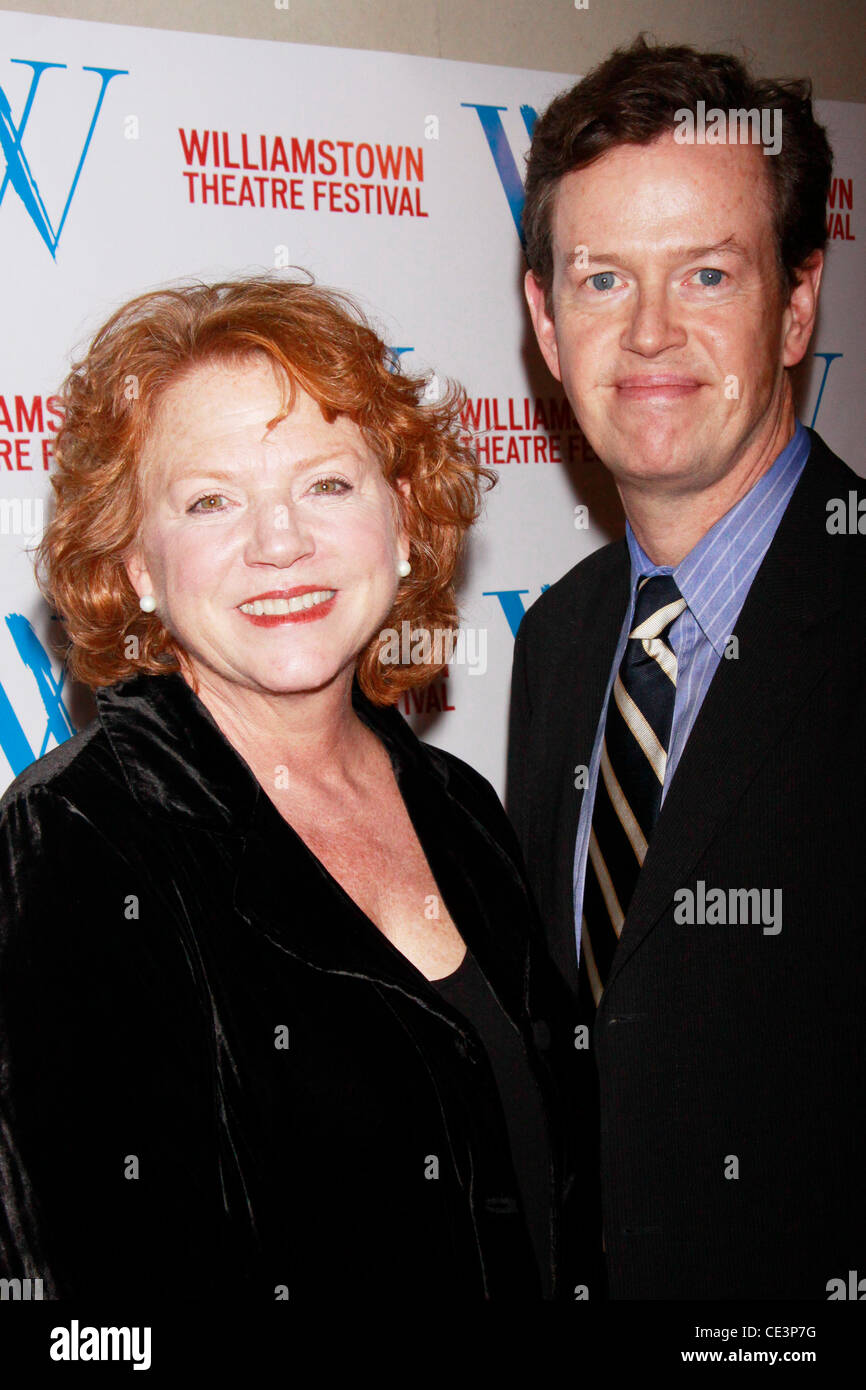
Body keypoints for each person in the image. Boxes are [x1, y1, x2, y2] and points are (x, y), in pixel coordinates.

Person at [0, 274, 582, 1301]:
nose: (280, 543)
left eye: (325, 483)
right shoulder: (79, 840)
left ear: (401, 519)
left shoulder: (458, 807)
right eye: (211, 500)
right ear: (137, 562)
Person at [507, 35, 866, 1299]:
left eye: (706, 272)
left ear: (796, 304)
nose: (649, 332)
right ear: (545, 323)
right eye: (601, 280)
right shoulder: (555, 641)